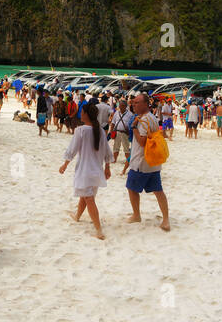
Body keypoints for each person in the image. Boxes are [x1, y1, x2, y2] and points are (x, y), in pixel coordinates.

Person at [61, 104, 114, 239]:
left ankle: (98, 230)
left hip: (85, 171)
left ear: (86, 115)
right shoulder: (100, 130)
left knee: (88, 198)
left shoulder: (81, 130)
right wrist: (107, 167)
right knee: (86, 196)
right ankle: (77, 216)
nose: (80, 113)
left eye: (82, 112)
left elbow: (72, 150)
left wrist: (64, 165)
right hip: (96, 171)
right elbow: (107, 151)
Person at [125, 93, 170, 231]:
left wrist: (133, 128)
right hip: (153, 162)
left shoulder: (143, 120)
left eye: (137, 102)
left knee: (131, 188)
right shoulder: (152, 117)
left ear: (146, 104)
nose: (134, 104)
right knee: (158, 190)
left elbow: (143, 141)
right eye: (133, 102)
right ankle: (166, 219)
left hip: (141, 162)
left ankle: (137, 215)